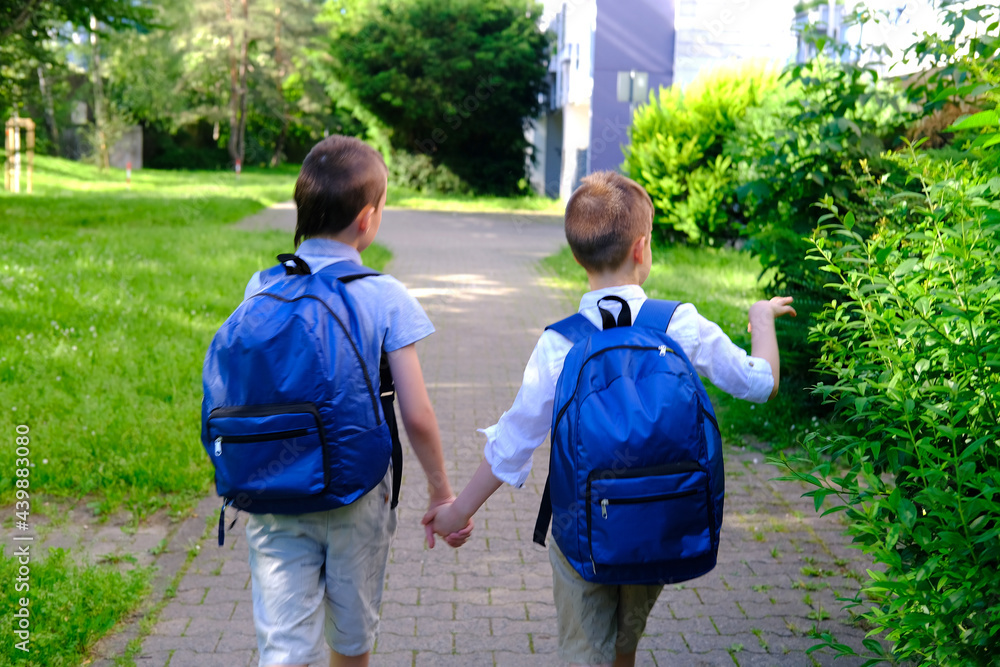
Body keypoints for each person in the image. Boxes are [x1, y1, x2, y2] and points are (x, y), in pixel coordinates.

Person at [424, 171, 796, 667]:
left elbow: (514, 442)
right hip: (662, 519)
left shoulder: (561, 342)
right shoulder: (679, 322)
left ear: (577, 258)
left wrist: (458, 510)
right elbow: (760, 382)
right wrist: (761, 318)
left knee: (584, 653)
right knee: (625, 646)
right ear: (642, 249)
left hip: (583, 531)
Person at [242, 135, 471, 667]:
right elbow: (415, 413)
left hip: (276, 488)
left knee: (284, 648)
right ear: (368, 219)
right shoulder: (384, 294)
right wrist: (441, 493)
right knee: (350, 643)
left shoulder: (260, 286)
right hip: (359, 491)